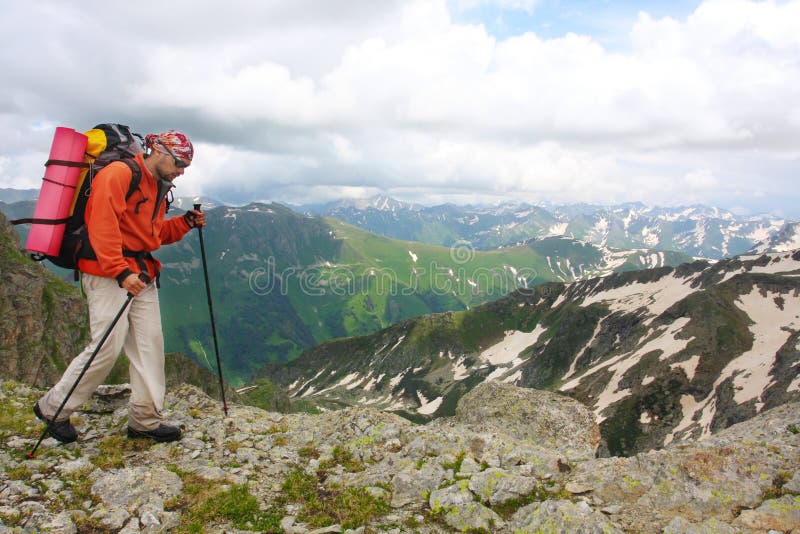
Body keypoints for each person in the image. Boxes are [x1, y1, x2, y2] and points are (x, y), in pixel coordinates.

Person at [34, 130, 205, 444]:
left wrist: (184, 223)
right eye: (180, 163)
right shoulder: (118, 174)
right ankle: (53, 408)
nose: (182, 171)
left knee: (150, 344)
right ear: (160, 151)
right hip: (108, 273)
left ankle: (145, 419)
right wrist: (119, 271)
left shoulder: (157, 185)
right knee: (106, 346)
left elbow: (150, 236)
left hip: (139, 273)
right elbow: (102, 225)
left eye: (186, 166)